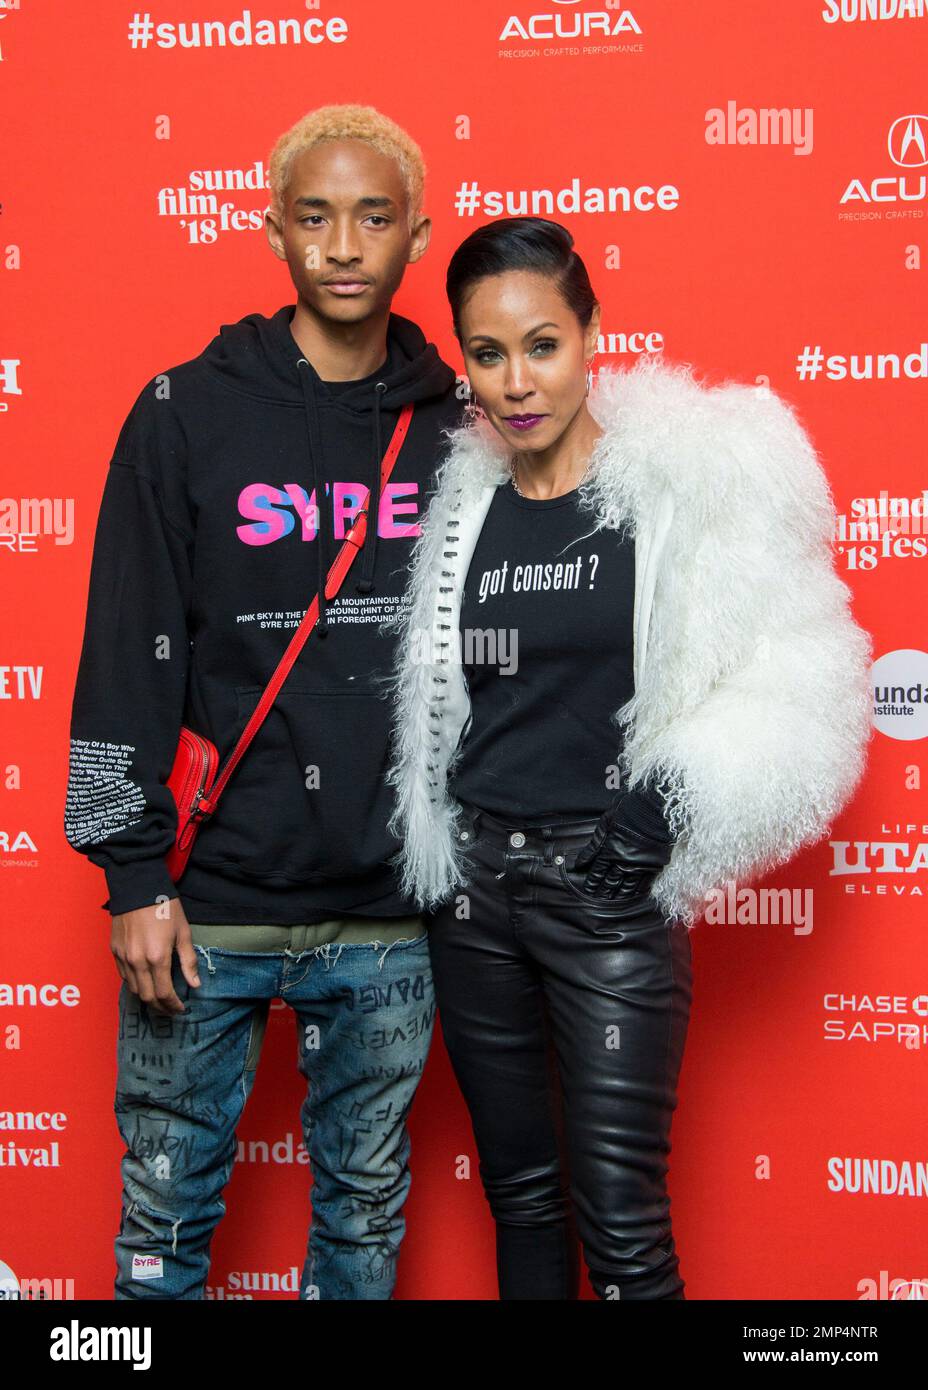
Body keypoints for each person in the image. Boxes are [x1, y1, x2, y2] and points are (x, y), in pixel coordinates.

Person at [381, 216, 873, 1299]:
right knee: (521, 1196)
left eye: (543, 343)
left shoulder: (683, 488)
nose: (518, 382)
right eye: (488, 353)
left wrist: (668, 801)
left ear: (593, 331)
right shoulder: (462, 505)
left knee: (624, 1224)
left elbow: (804, 669)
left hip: (605, 891)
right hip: (472, 899)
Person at [63, 105, 464, 1300]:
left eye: (375, 218)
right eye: (315, 216)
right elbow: (123, 653)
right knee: (164, 1225)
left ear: (416, 236)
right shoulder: (185, 412)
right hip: (208, 909)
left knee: (361, 1223)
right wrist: (131, 873)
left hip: (390, 913)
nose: (345, 244)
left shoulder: (455, 427)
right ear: (272, 231)